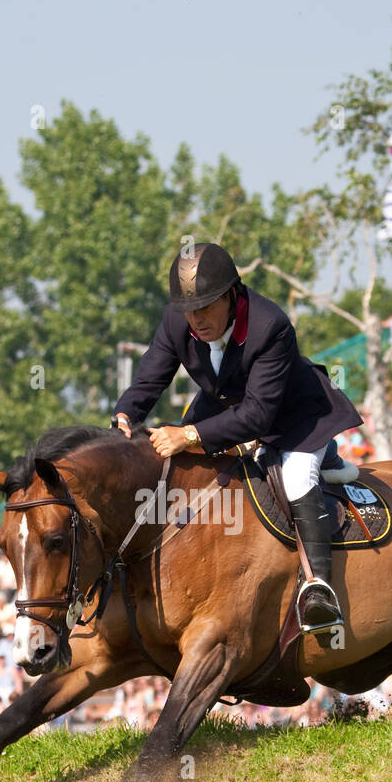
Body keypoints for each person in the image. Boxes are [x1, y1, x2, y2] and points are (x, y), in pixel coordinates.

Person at [111, 242, 362, 628]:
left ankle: (319, 589)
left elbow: (259, 414)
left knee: (295, 479)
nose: (196, 319)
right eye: (189, 310)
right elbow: (149, 378)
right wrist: (125, 415)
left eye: (206, 306)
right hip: (226, 409)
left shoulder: (270, 325)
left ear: (231, 294)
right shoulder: (177, 321)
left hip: (295, 418)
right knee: (181, 470)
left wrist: (190, 434)